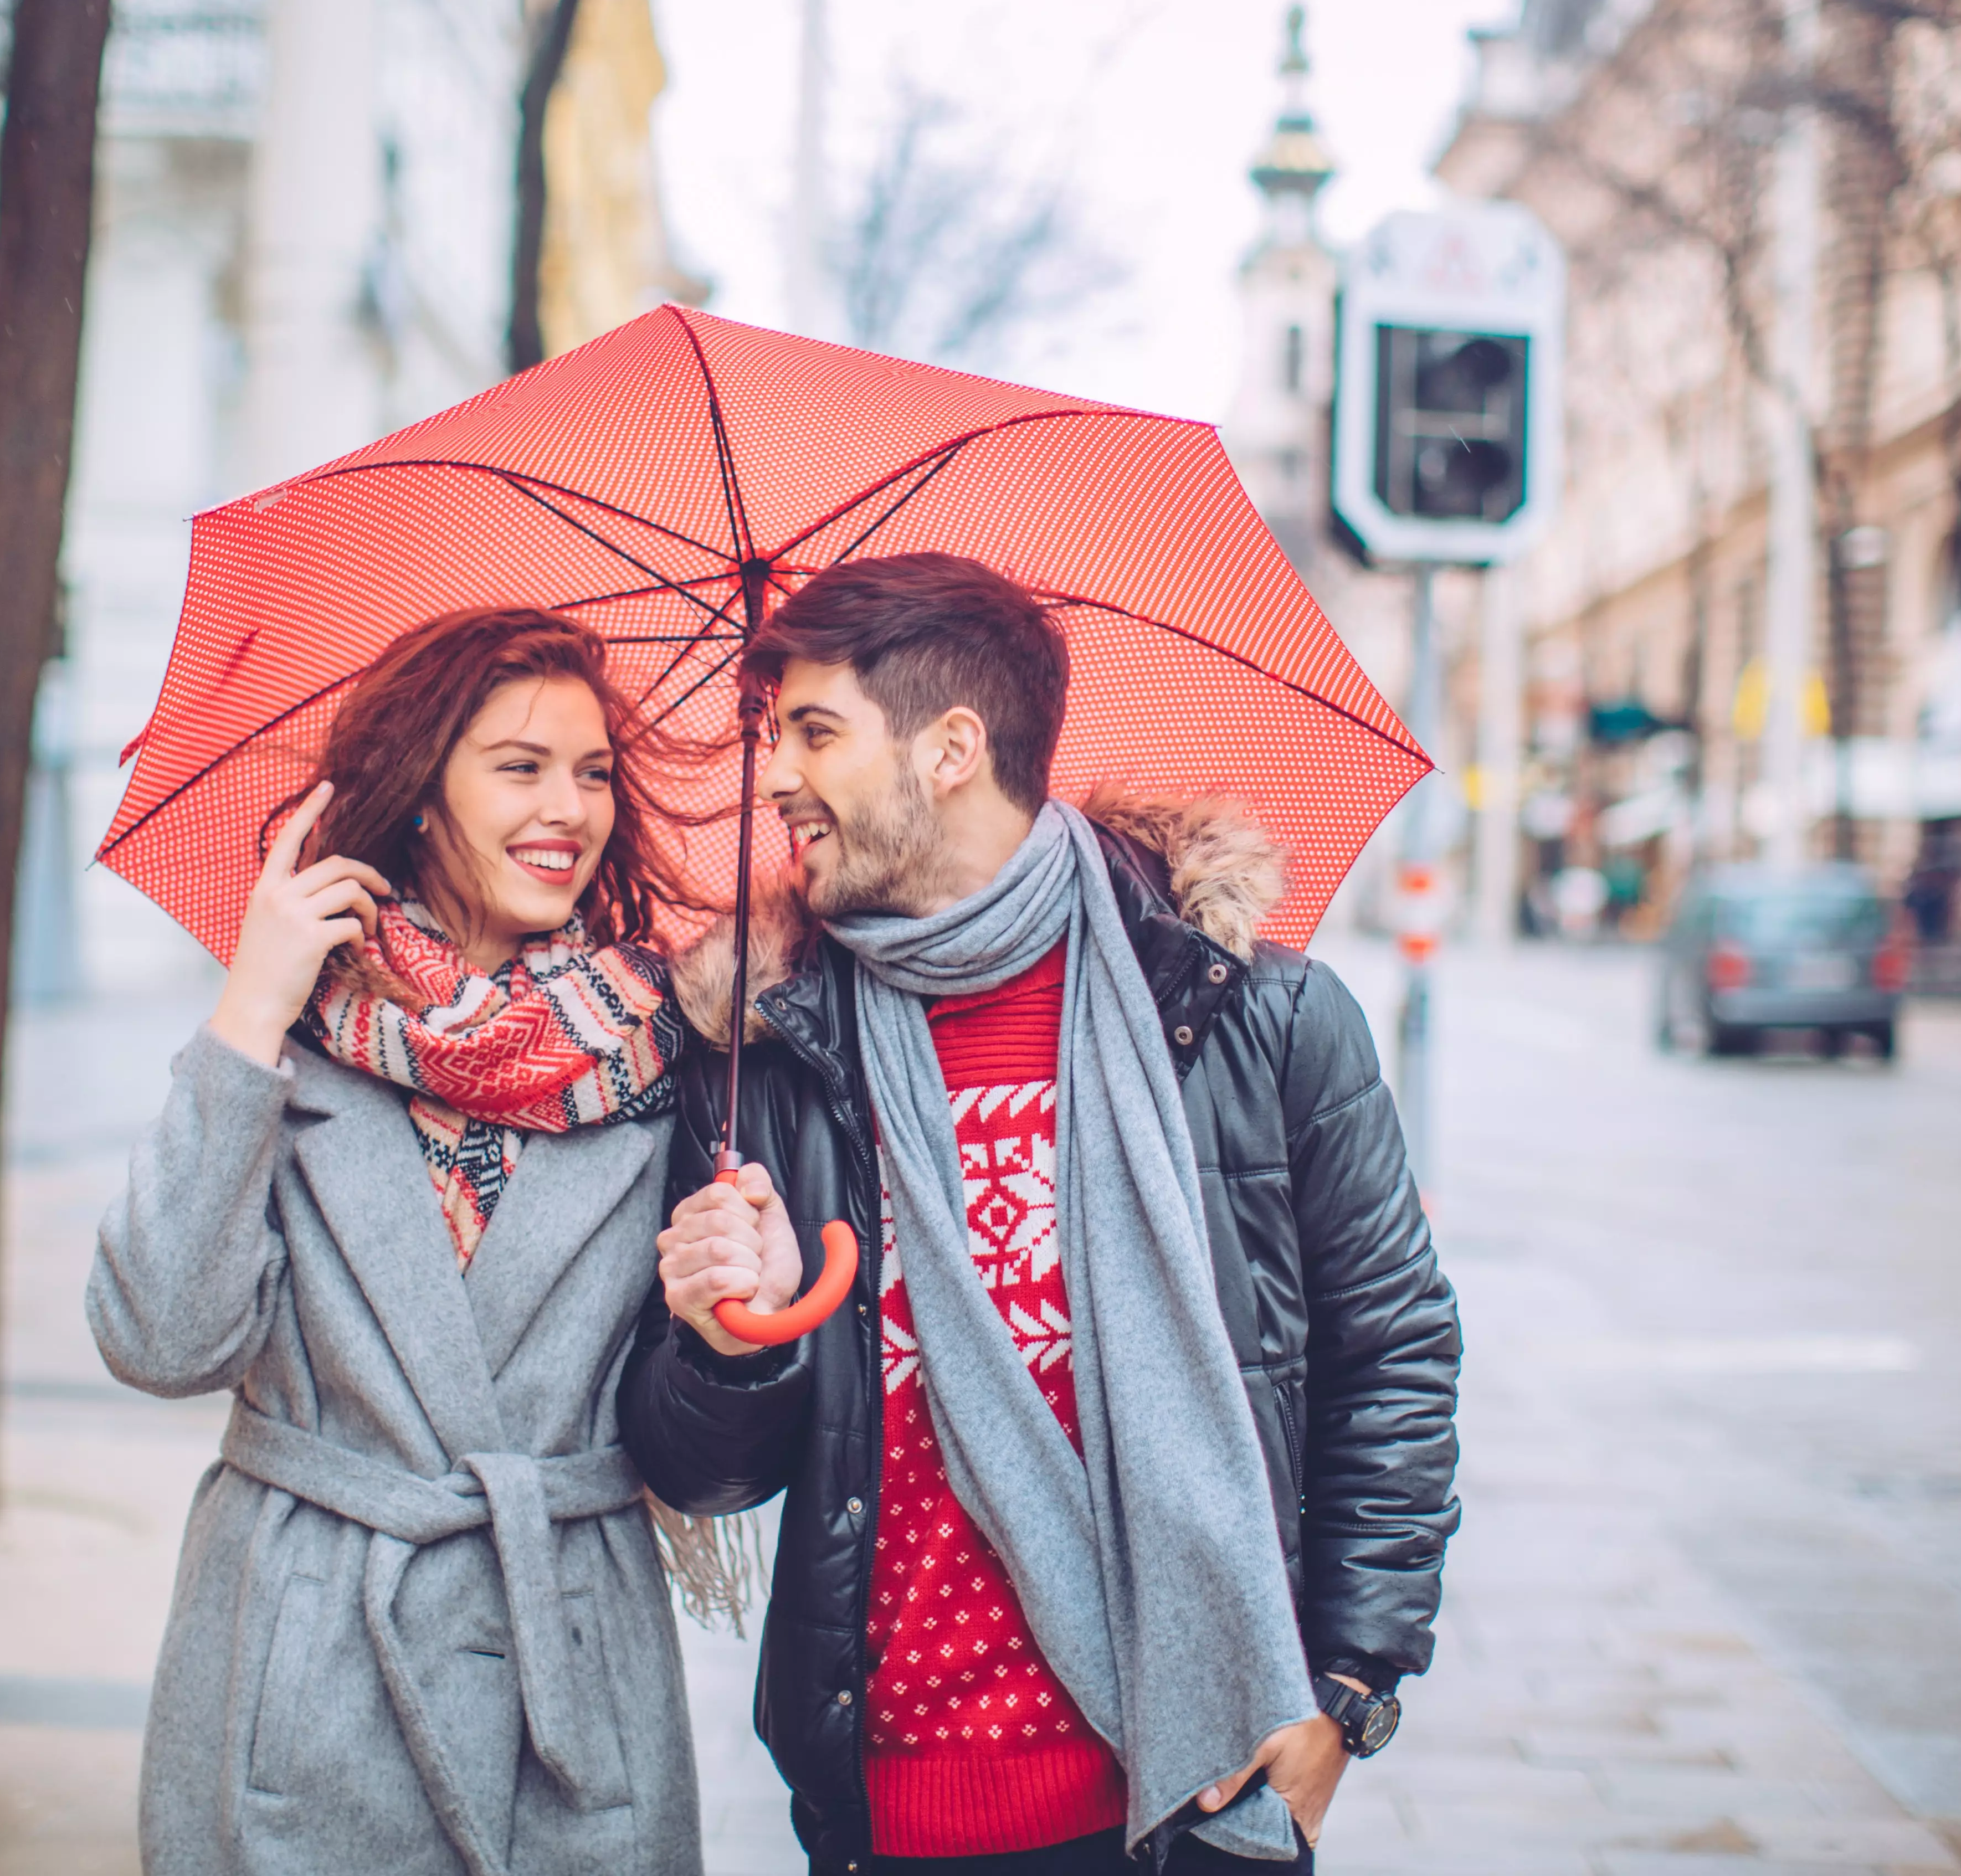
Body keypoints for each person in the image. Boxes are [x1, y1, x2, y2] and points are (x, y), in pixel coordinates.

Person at [623, 553, 1461, 1876]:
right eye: (772, 732)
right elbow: (699, 1471)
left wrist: (1352, 1688)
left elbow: (1390, 1354)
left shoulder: (1256, 1020)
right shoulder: (766, 1058)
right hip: (891, 1816)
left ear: (950, 746)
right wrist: (735, 1336)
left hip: (1203, 1788)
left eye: (814, 732)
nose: (773, 776)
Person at [88, 607, 711, 1876]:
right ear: (420, 790)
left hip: (568, 1673)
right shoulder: (295, 1027)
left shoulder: (661, 1049)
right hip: (307, 1668)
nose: (568, 809)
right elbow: (158, 1338)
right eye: (519, 765)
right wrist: (248, 1013)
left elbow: (705, 1453)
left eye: (592, 772)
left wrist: (733, 1331)